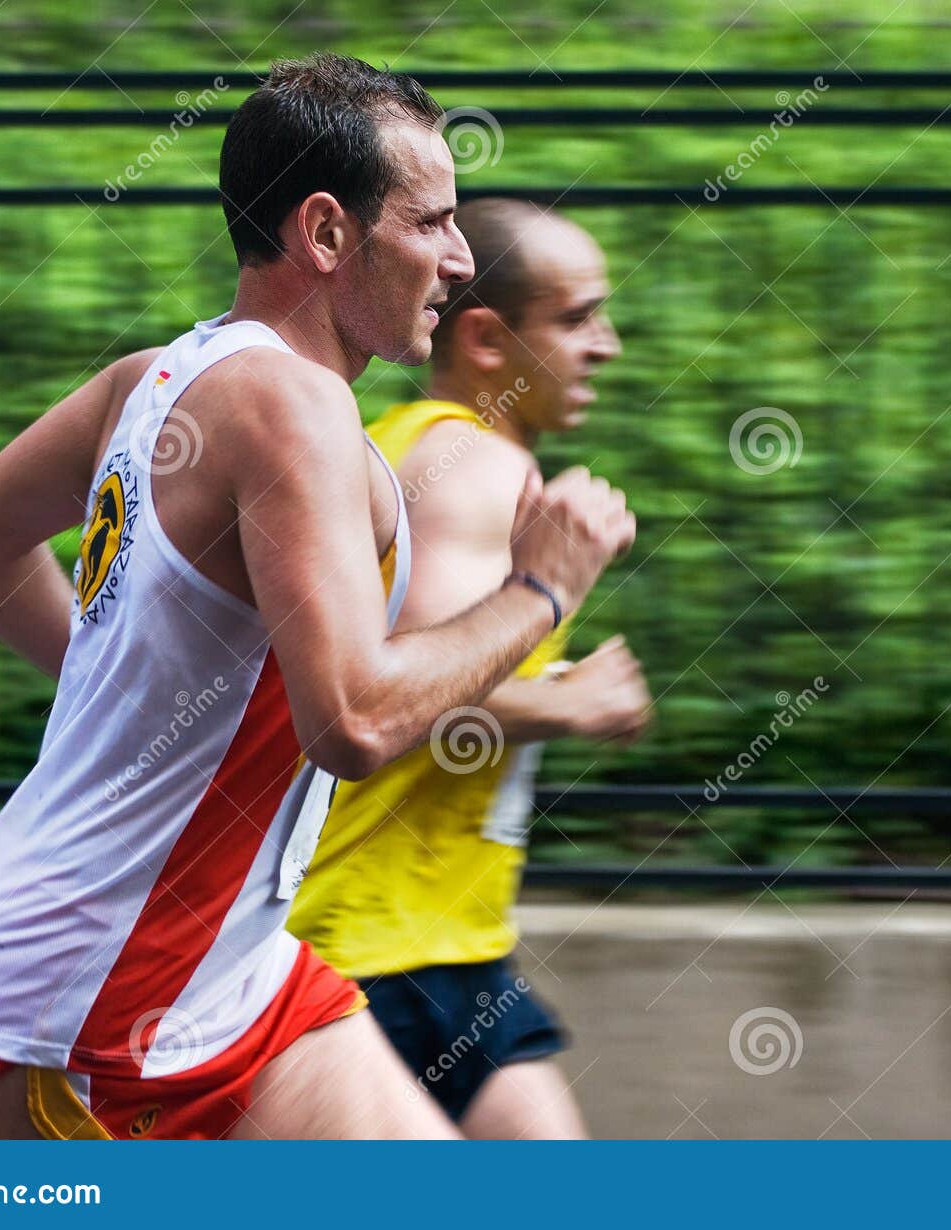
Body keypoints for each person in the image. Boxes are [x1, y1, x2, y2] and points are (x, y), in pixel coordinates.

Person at [0, 54, 634, 1141]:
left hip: (230, 962)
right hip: (102, 988)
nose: (460, 262)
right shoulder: (292, 409)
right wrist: (541, 590)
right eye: (431, 224)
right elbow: (356, 720)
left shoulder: (151, 380)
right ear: (326, 235)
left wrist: (139, 705)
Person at [288, 199, 651, 1138]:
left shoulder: (432, 449)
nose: (606, 345)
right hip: (371, 949)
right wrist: (573, 706)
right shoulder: (471, 466)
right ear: (487, 340)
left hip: (444, 947)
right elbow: (399, 698)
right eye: (576, 320)